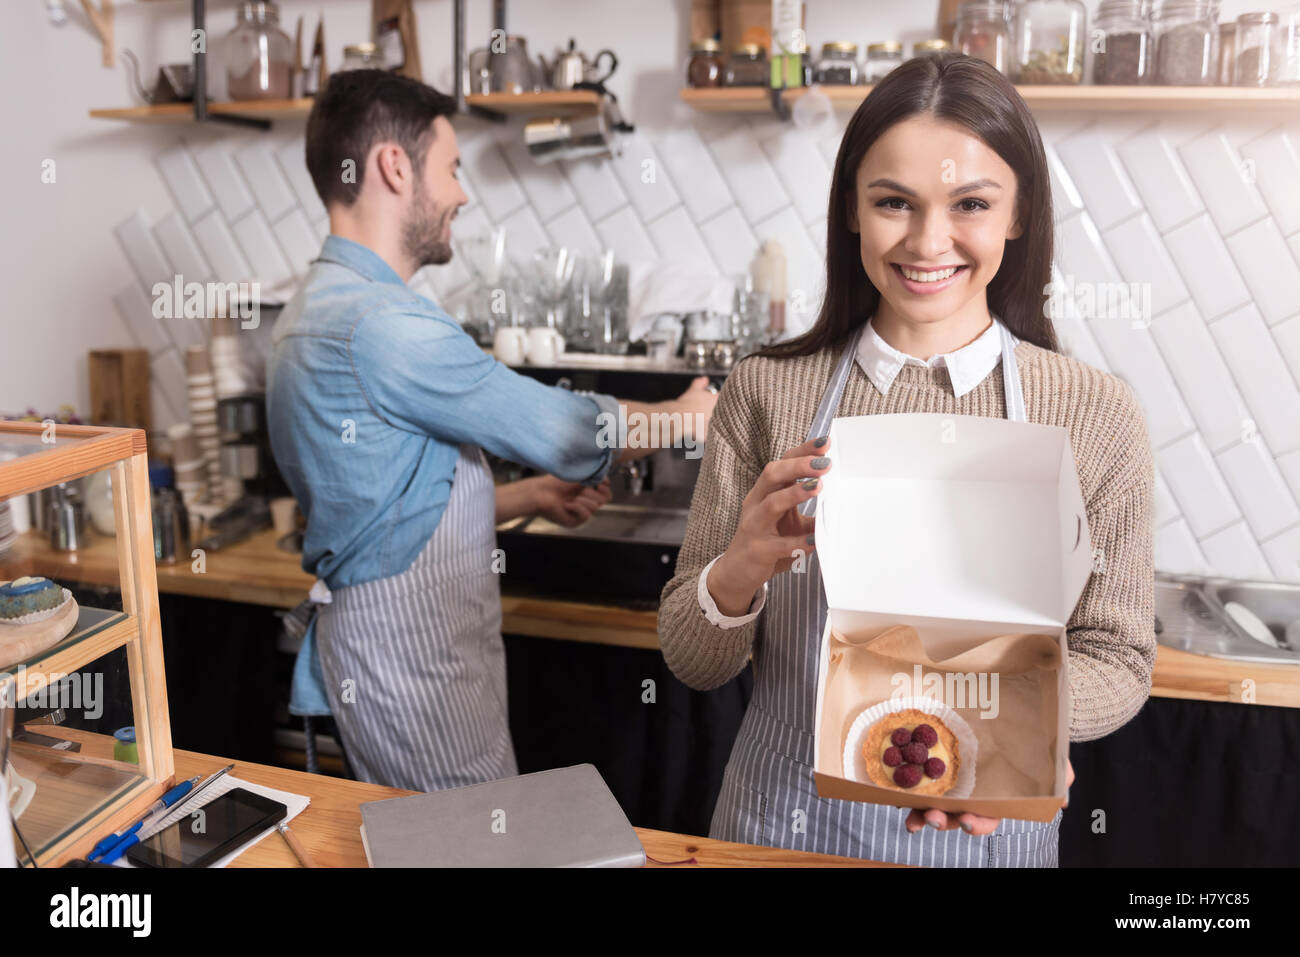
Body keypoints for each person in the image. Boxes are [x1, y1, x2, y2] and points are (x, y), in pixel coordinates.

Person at [657, 52, 1155, 866]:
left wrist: (1027, 722)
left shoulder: (1097, 415)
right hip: (782, 826)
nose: (929, 241)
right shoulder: (767, 391)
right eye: (894, 202)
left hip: (992, 826)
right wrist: (738, 568)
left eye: (970, 204)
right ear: (852, 209)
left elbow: (1120, 658)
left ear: (1018, 214)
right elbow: (692, 657)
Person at [268, 70, 715, 792]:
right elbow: (568, 432)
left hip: (390, 647)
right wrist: (685, 417)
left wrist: (530, 496)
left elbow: (386, 510)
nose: (460, 193)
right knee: (469, 843)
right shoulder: (381, 325)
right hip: (414, 660)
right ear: (392, 166)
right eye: (450, 167)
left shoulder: (317, 306)